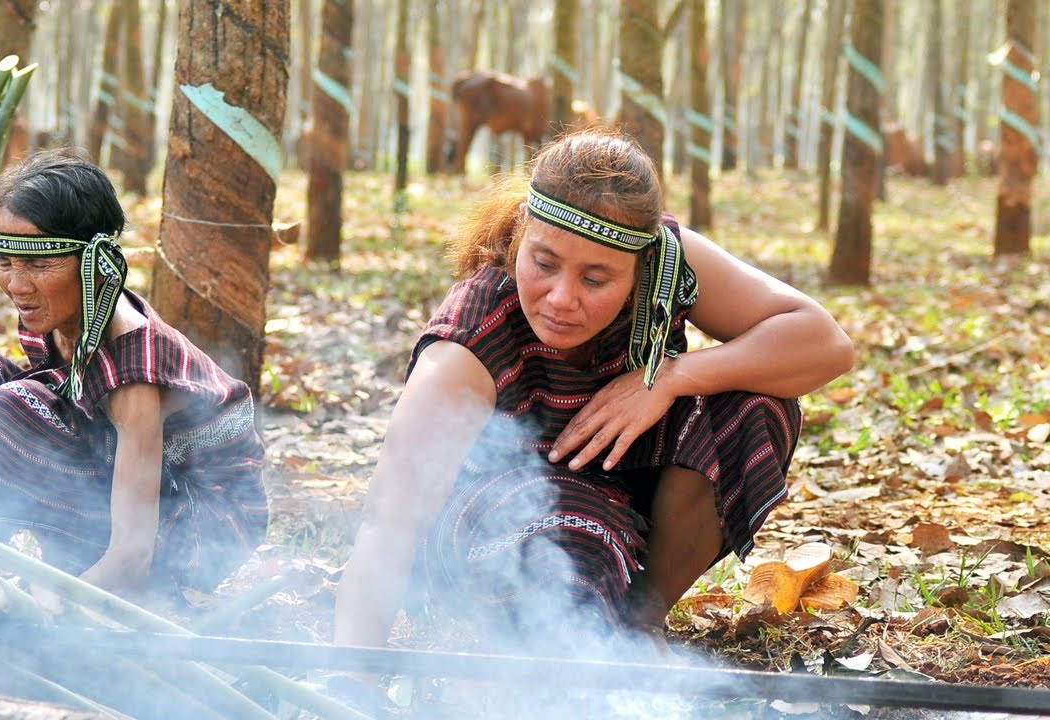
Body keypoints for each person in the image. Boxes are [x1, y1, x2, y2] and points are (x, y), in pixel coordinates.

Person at [333, 129, 855, 662]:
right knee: (571, 551)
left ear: (642, 268)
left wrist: (668, 377)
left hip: (620, 495)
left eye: (596, 279)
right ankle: (544, 654)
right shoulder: (467, 344)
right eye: (544, 264)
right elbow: (387, 523)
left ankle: (638, 625)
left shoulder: (669, 263)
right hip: (496, 526)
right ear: (520, 237)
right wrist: (354, 683)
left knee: (754, 406)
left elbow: (825, 344)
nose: (562, 299)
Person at [0, 149, 267, 594]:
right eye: (6, 262)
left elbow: (132, 554)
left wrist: (59, 604)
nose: (16, 284)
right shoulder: (61, 314)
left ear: (93, 264)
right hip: (115, 478)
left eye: (37, 264)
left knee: (17, 406)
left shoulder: (135, 371)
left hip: (196, 529)